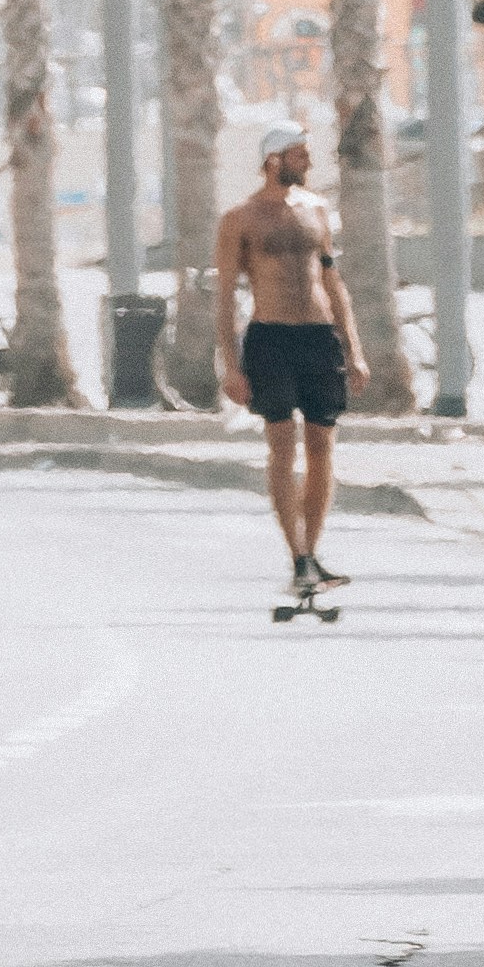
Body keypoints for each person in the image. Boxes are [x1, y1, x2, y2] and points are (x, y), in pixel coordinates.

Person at [216, 122, 362, 610]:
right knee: (282, 446)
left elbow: (334, 282)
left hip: (319, 338)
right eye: (300, 154)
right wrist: (231, 365)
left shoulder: (318, 210)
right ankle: (296, 554)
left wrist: (353, 347)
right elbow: (223, 297)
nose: (309, 162)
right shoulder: (241, 218)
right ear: (274, 159)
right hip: (270, 337)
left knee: (322, 444)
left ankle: (312, 555)